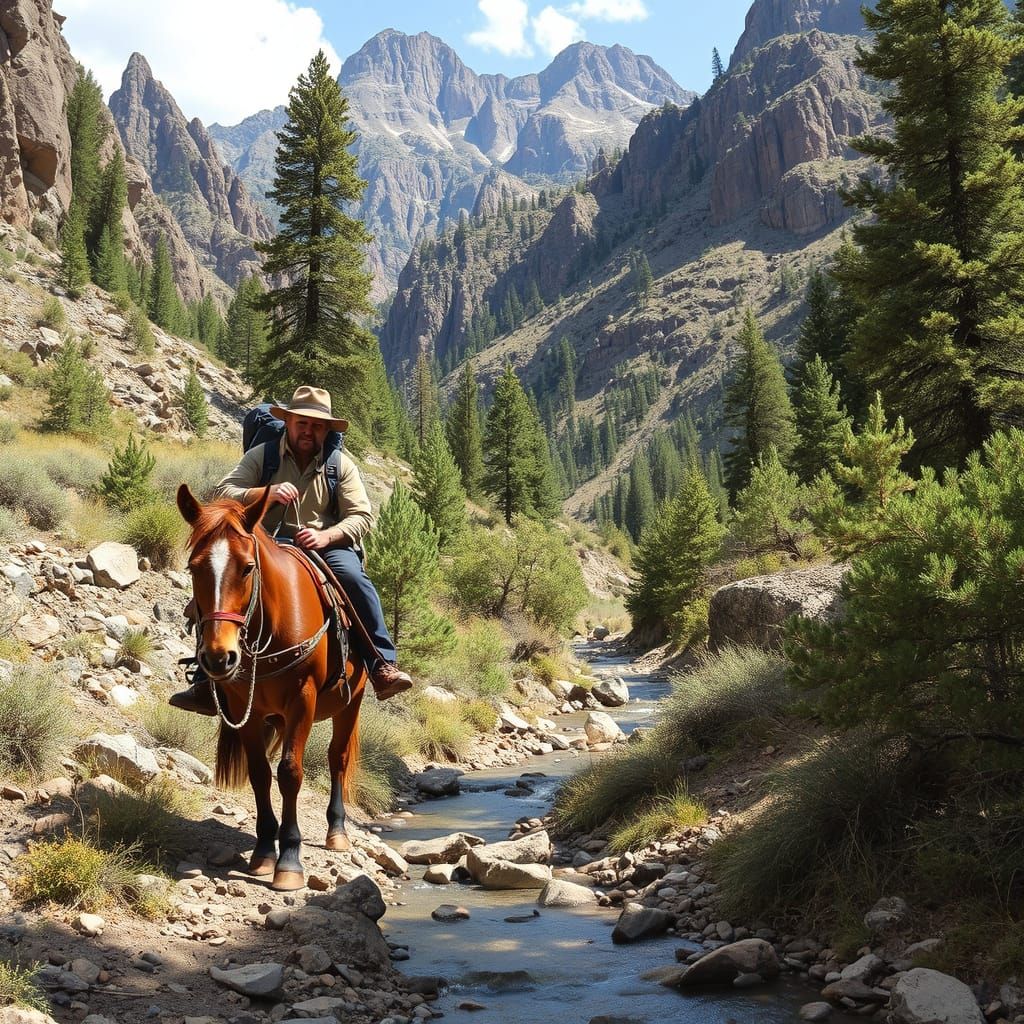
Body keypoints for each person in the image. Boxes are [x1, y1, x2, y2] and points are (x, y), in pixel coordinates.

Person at [170, 386, 413, 713]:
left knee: (353, 578)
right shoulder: (263, 455)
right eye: (302, 423)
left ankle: (381, 663)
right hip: (265, 543)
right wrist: (264, 493)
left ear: (326, 430)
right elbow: (223, 491)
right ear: (289, 422)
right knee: (221, 582)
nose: (308, 431)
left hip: (324, 546)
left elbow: (361, 516)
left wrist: (327, 536)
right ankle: (205, 680)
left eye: (317, 426)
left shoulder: (339, 465)